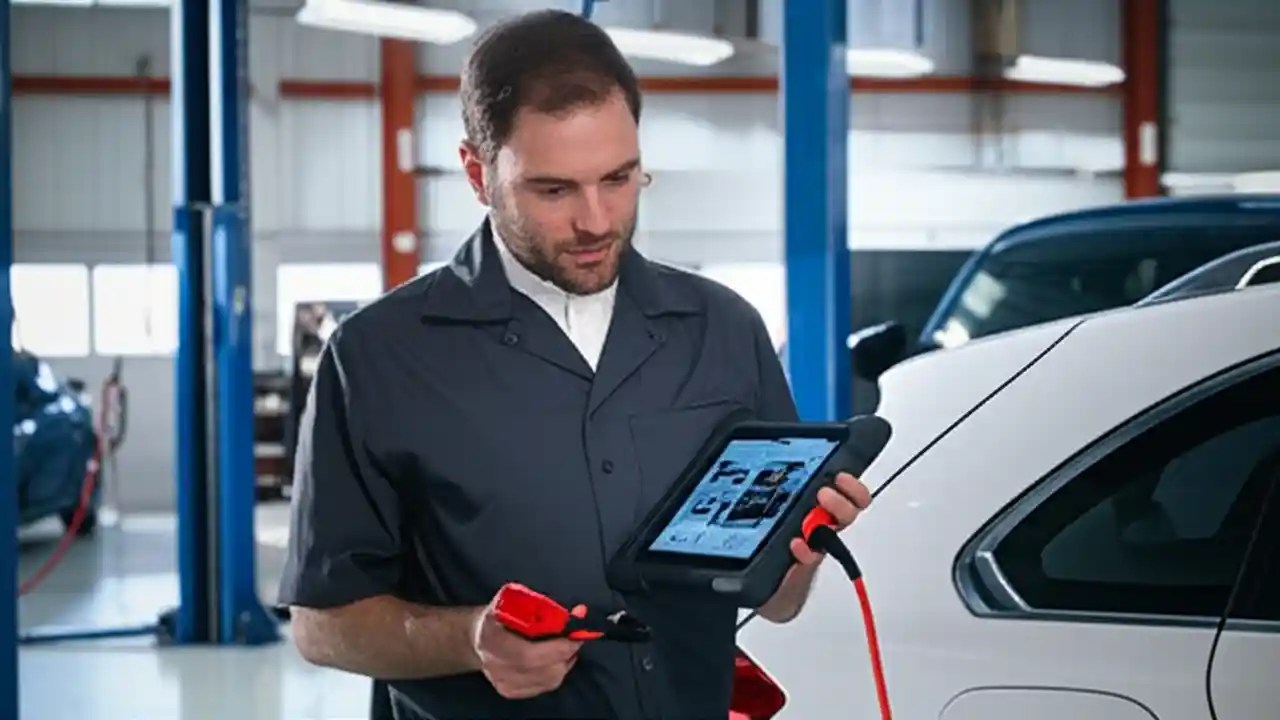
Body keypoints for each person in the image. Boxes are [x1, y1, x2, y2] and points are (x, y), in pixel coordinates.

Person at [277, 9, 871, 720]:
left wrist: (796, 551)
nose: (596, 220)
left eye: (620, 179)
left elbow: (777, 601)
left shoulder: (721, 329)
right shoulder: (377, 358)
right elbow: (323, 623)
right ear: (477, 172)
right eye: (554, 191)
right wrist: (470, 639)